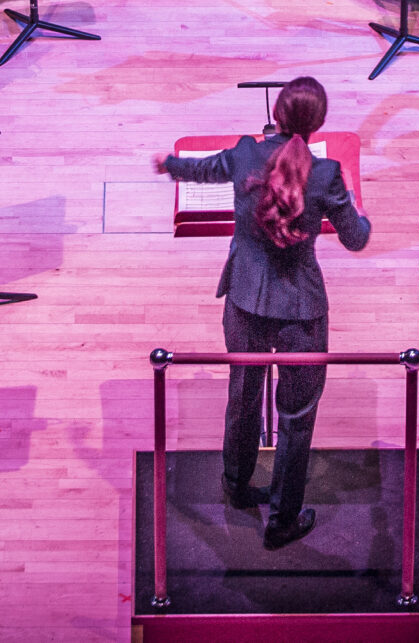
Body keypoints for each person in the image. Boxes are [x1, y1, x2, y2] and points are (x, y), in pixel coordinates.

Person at [154, 75, 370, 551]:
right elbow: (358, 238)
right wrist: (350, 196)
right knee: (296, 417)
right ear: (317, 125)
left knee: (243, 396)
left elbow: (203, 170)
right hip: (301, 313)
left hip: (245, 303)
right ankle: (282, 520)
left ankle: (235, 486)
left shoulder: (245, 154)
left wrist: (168, 164)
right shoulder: (327, 175)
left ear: (276, 116)